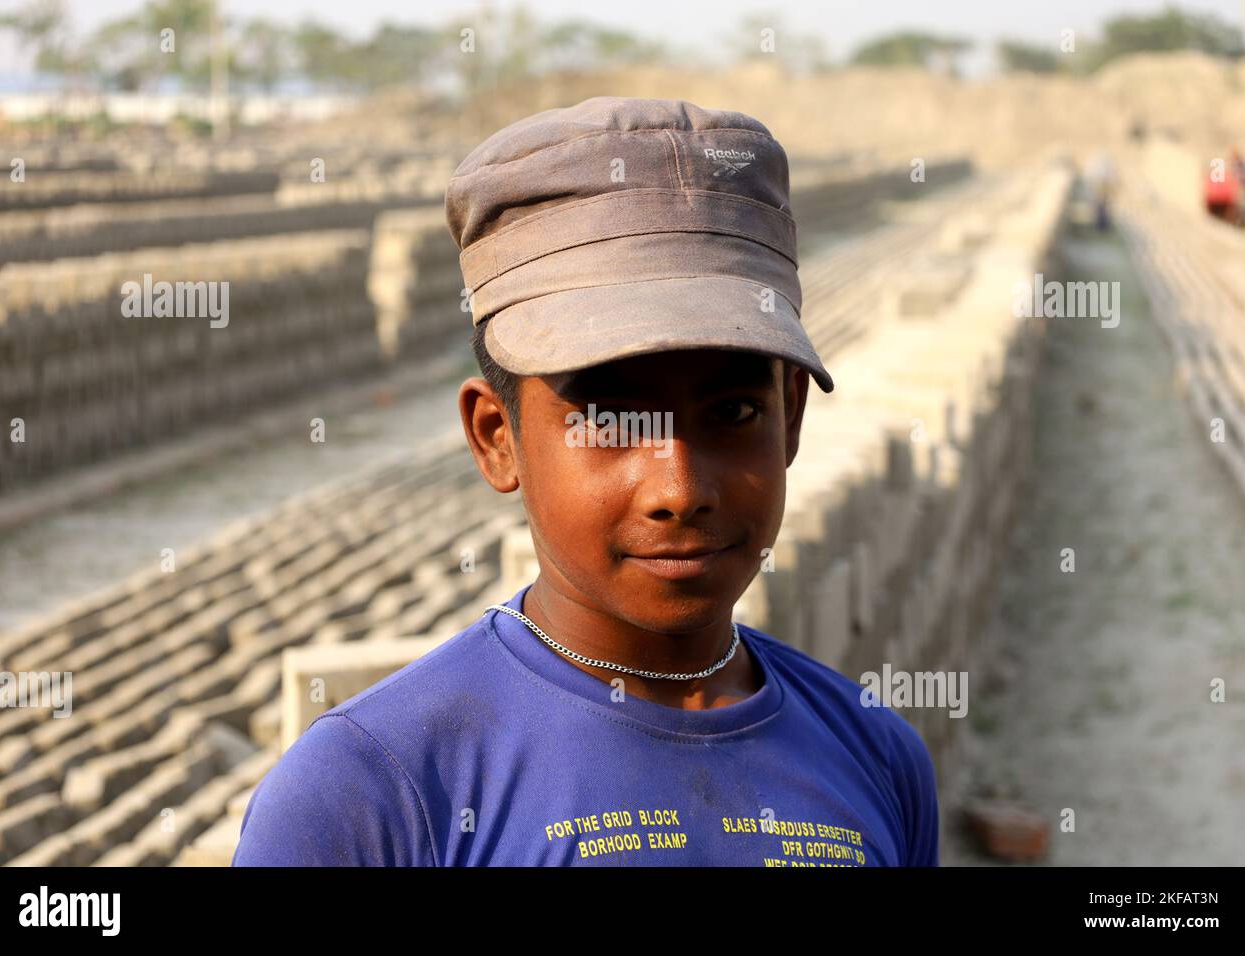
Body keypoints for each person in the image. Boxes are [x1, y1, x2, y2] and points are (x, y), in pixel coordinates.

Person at [231, 96, 941, 867]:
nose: (679, 486)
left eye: (733, 410)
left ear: (791, 418)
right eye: (610, 421)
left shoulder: (877, 757)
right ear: (497, 439)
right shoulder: (371, 797)